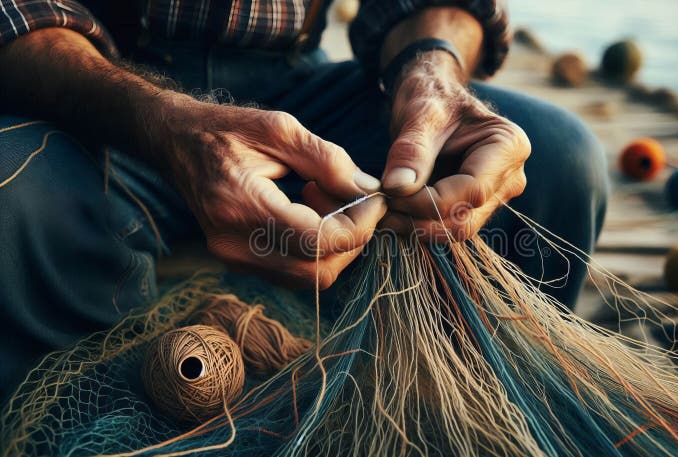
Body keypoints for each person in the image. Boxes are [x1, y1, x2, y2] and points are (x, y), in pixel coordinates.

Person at [0, 0, 608, 402]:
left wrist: (431, 68)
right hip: (94, 93)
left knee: (561, 158)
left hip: (297, 90)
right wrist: (167, 123)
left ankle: (462, 404)